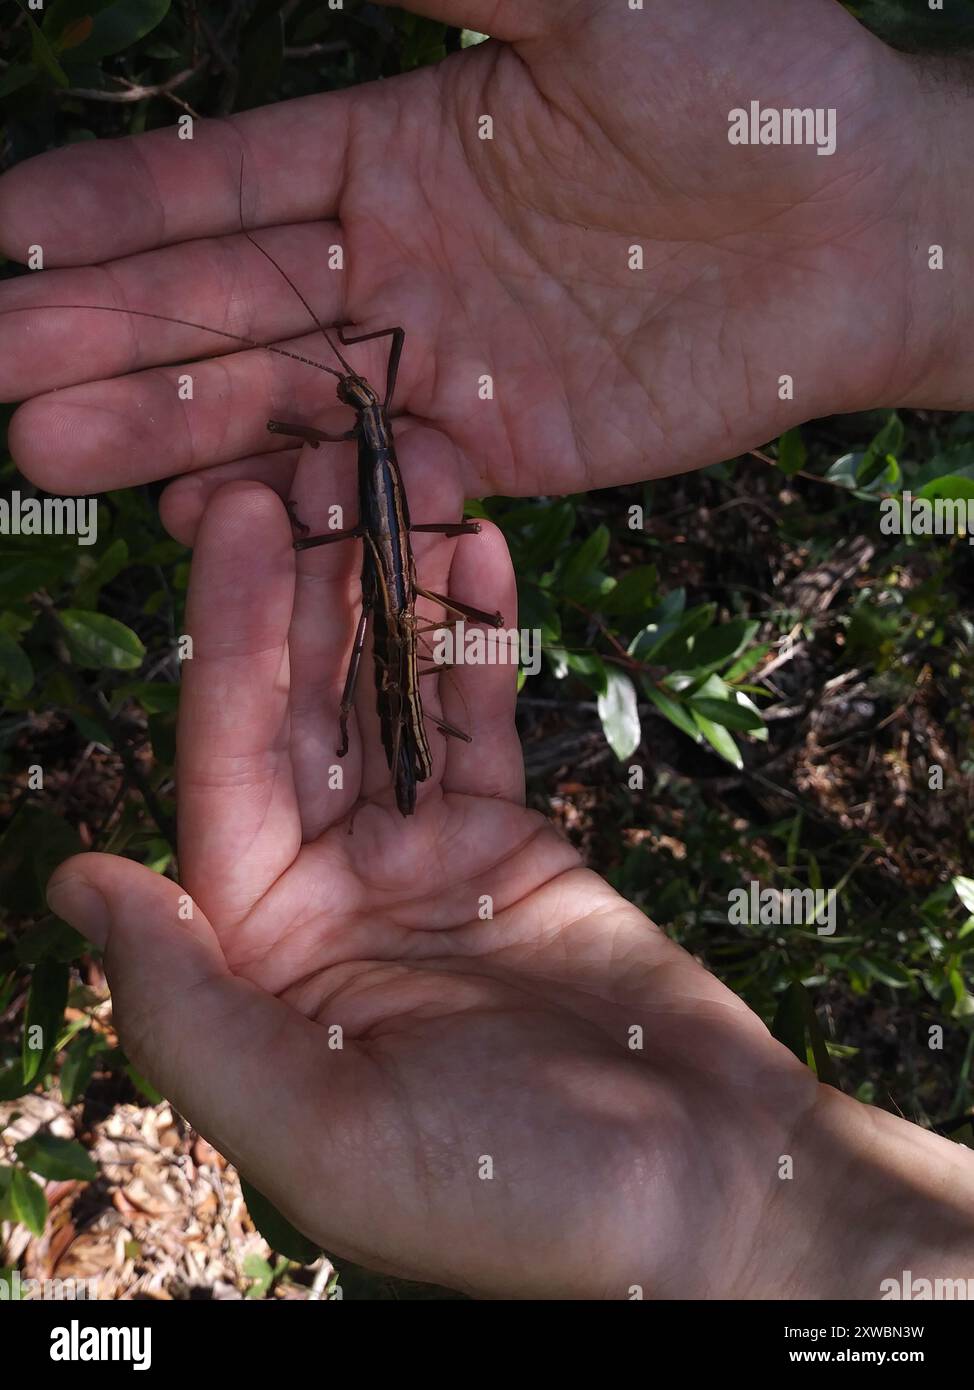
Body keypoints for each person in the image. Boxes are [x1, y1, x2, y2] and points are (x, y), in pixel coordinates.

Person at [1, 0, 972, 1298]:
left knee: (399, 621)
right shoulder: (373, 424)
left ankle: (404, 751)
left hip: (402, 576)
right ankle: (404, 750)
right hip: (390, 562)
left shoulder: (382, 423)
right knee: (385, 606)